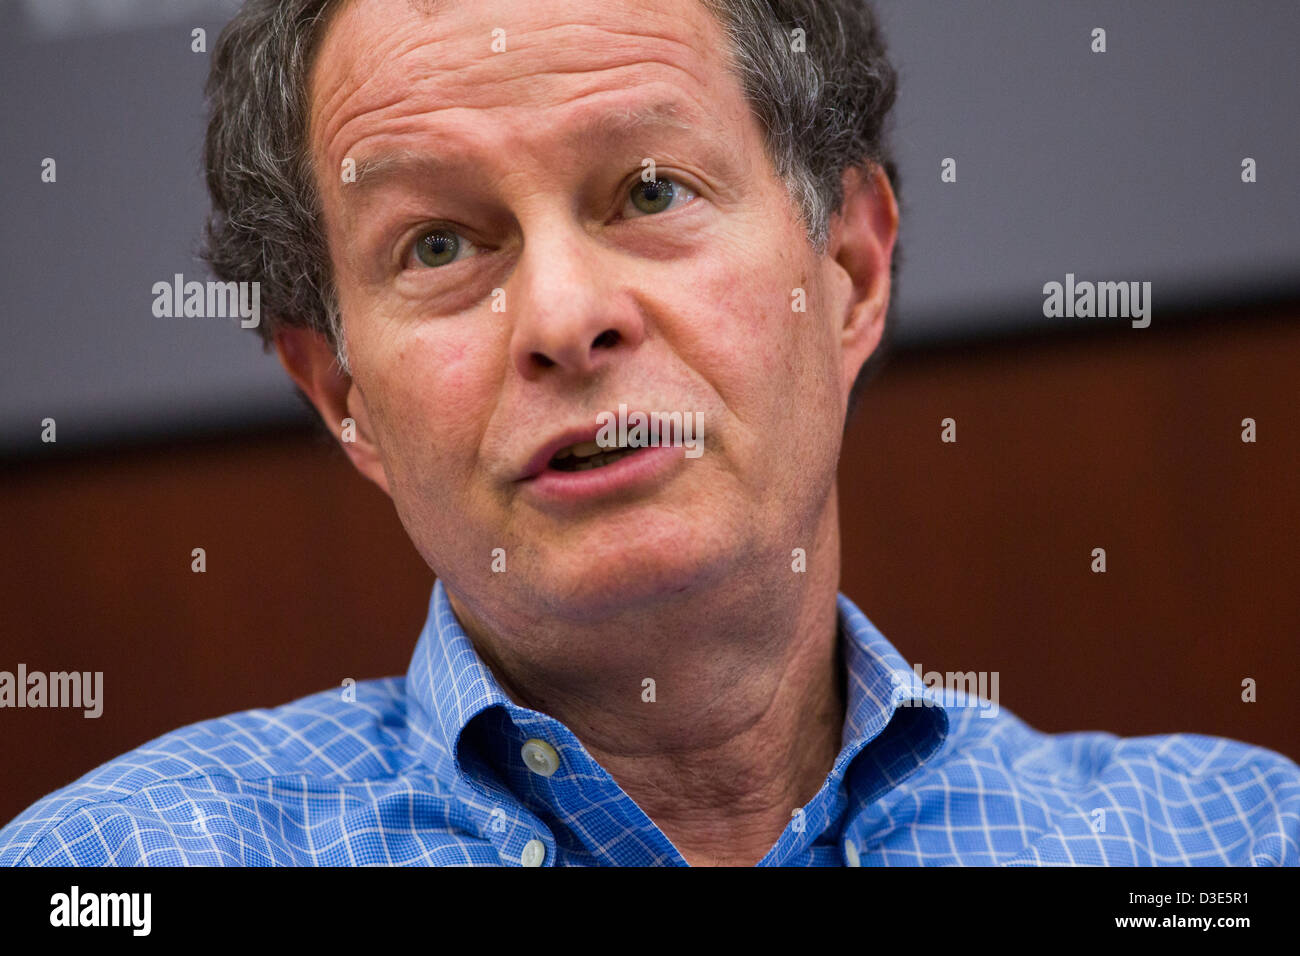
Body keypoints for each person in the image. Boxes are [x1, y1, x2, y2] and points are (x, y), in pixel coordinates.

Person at [2, 0, 1296, 867]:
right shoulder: (121, 868)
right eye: (440, 244)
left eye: (652, 190)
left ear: (848, 265)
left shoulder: (1227, 846)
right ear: (341, 396)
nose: (565, 319)